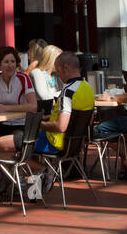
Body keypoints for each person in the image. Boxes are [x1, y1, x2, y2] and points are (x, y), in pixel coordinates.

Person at [29, 51, 96, 185]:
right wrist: (50, 117)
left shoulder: (68, 91)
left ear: (66, 68)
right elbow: (88, 120)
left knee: (11, 145)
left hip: (56, 143)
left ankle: (43, 171)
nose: (57, 74)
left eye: (58, 70)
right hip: (75, 145)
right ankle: (39, 182)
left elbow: (61, 126)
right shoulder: (88, 88)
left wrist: (39, 124)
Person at [0, 45, 37, 153]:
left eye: (13, 62)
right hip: (3, 124)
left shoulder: (23, 78)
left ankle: (9, 167)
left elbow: (33, 106)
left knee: (3, 143)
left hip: (22, 125)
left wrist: (5, 108)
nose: (10, 66)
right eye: (6, 62)